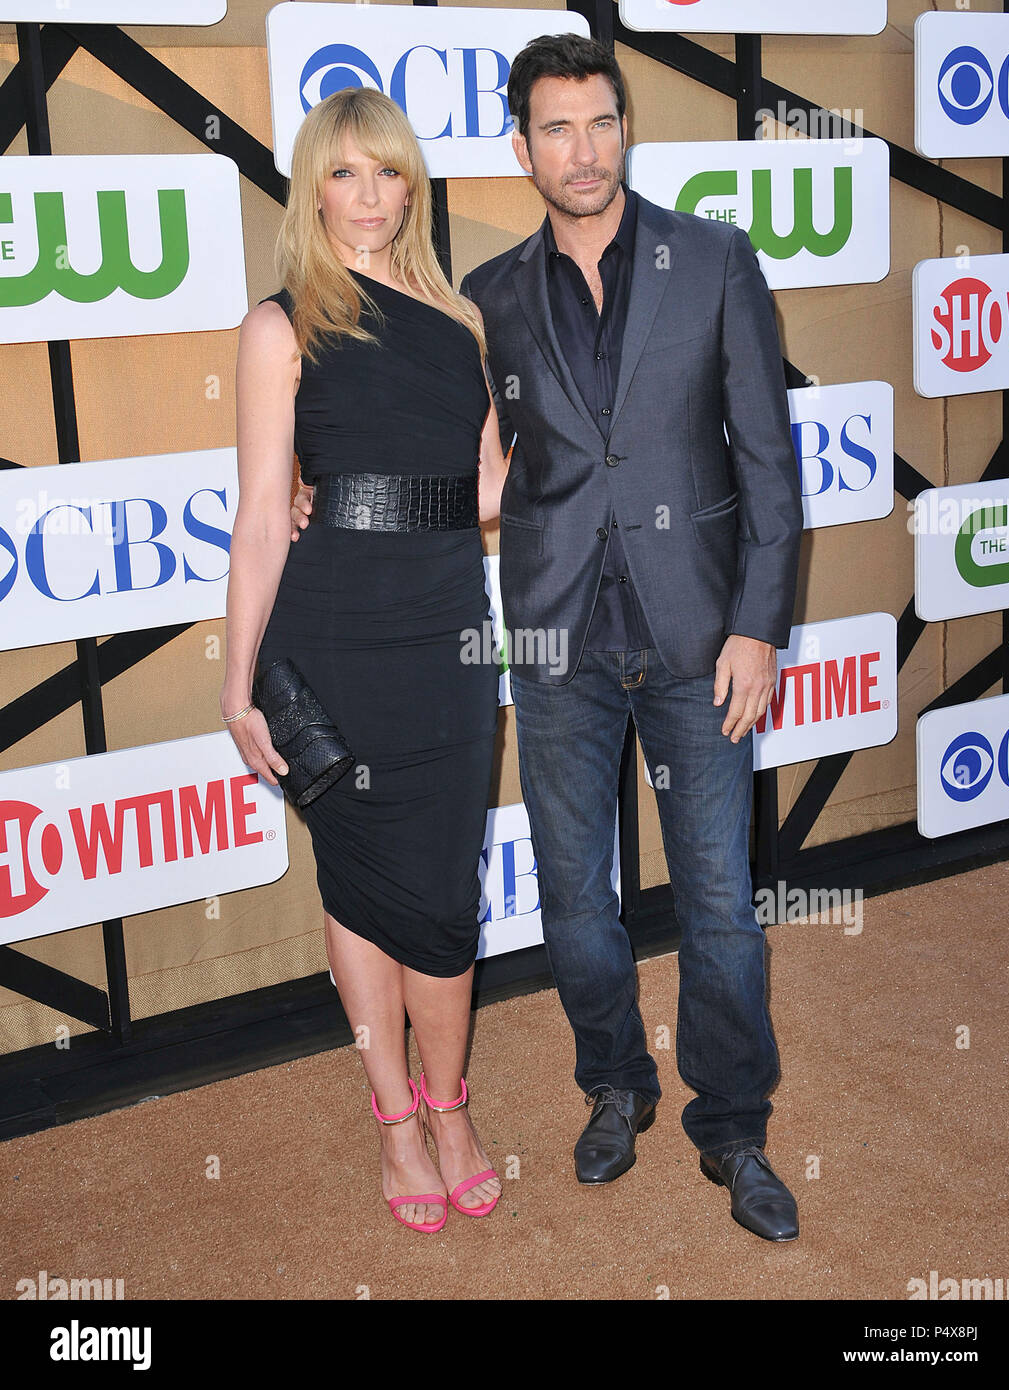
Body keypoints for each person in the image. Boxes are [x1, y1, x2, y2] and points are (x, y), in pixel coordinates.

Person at [293, 35, 804, 1242]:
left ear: (626, 129)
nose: (584, 150)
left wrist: (758, 627)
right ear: (519, 148)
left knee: (721, 905)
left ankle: (732, 1127)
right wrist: (324, 494)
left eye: (602, 122)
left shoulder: (715, 260)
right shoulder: (486, 301)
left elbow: (767, 465)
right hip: (556, 641)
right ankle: (612, 1087)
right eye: (556, 129)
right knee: (577, 902)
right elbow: (451, 462)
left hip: (696, 641)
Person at [222, 86, 507, 1234]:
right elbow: (256, 520)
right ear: (314, 186)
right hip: (329, 631)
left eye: (387, 172)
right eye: (345, 173)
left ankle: (452, 1104)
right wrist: (236, 681)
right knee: (358, 877)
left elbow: (485, 490)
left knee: (439, 891)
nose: (369, 195)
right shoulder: (279, 324)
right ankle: (396, 1117)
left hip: (445, 628)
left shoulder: (463, 322)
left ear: (411, 185)